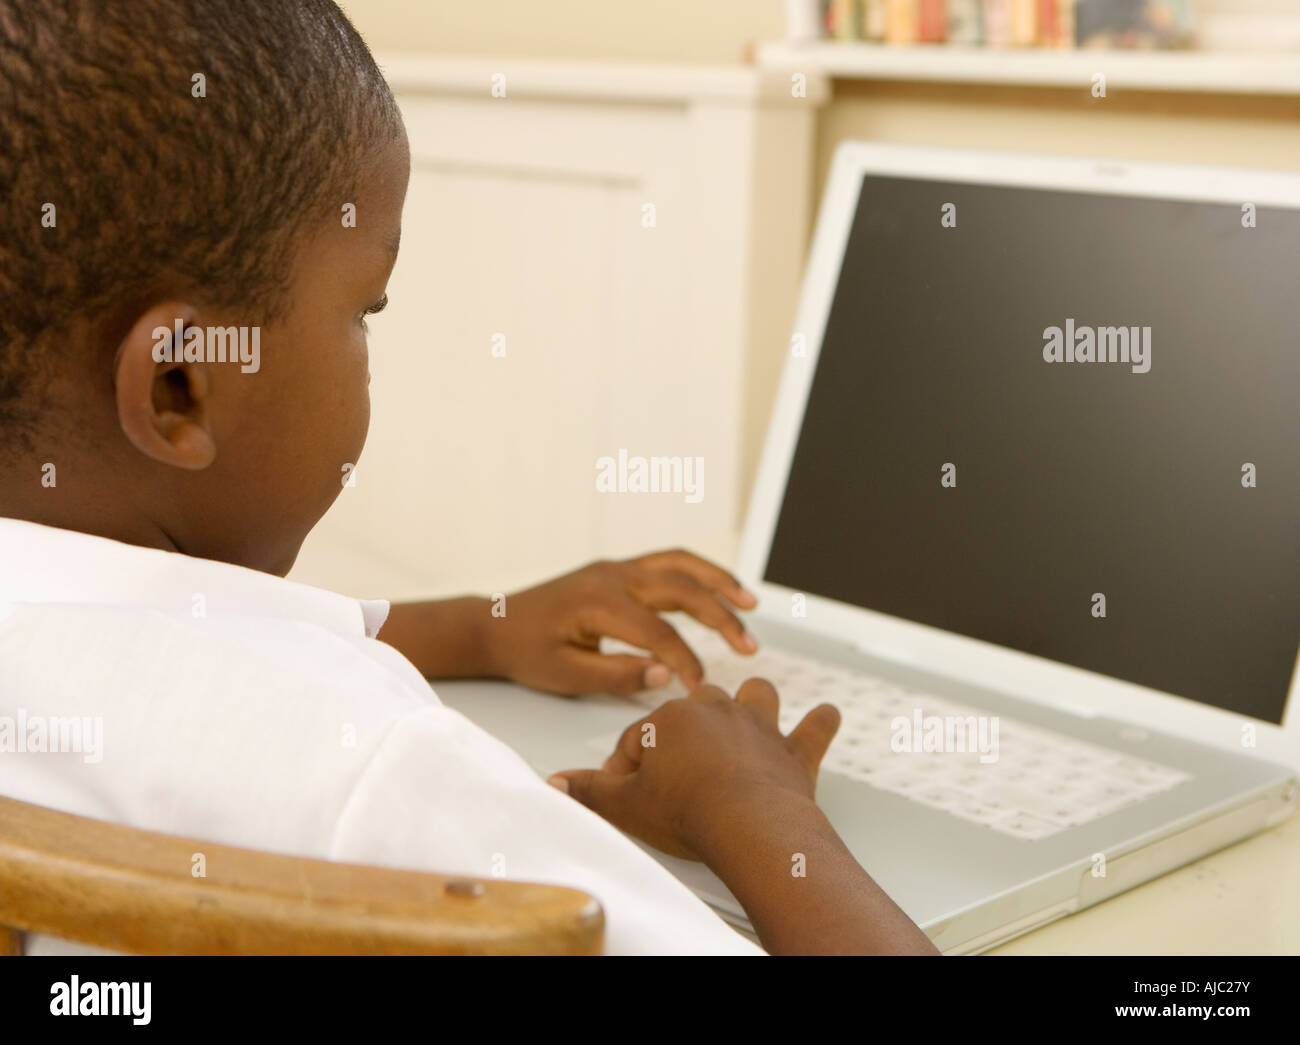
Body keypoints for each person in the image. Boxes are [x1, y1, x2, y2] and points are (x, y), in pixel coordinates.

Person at [0, 0, 936, 955]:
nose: (370, 339)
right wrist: (754, 808)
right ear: (179, 388)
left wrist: (481, 626)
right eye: (369, 306)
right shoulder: (375, 775)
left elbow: (141, 636)